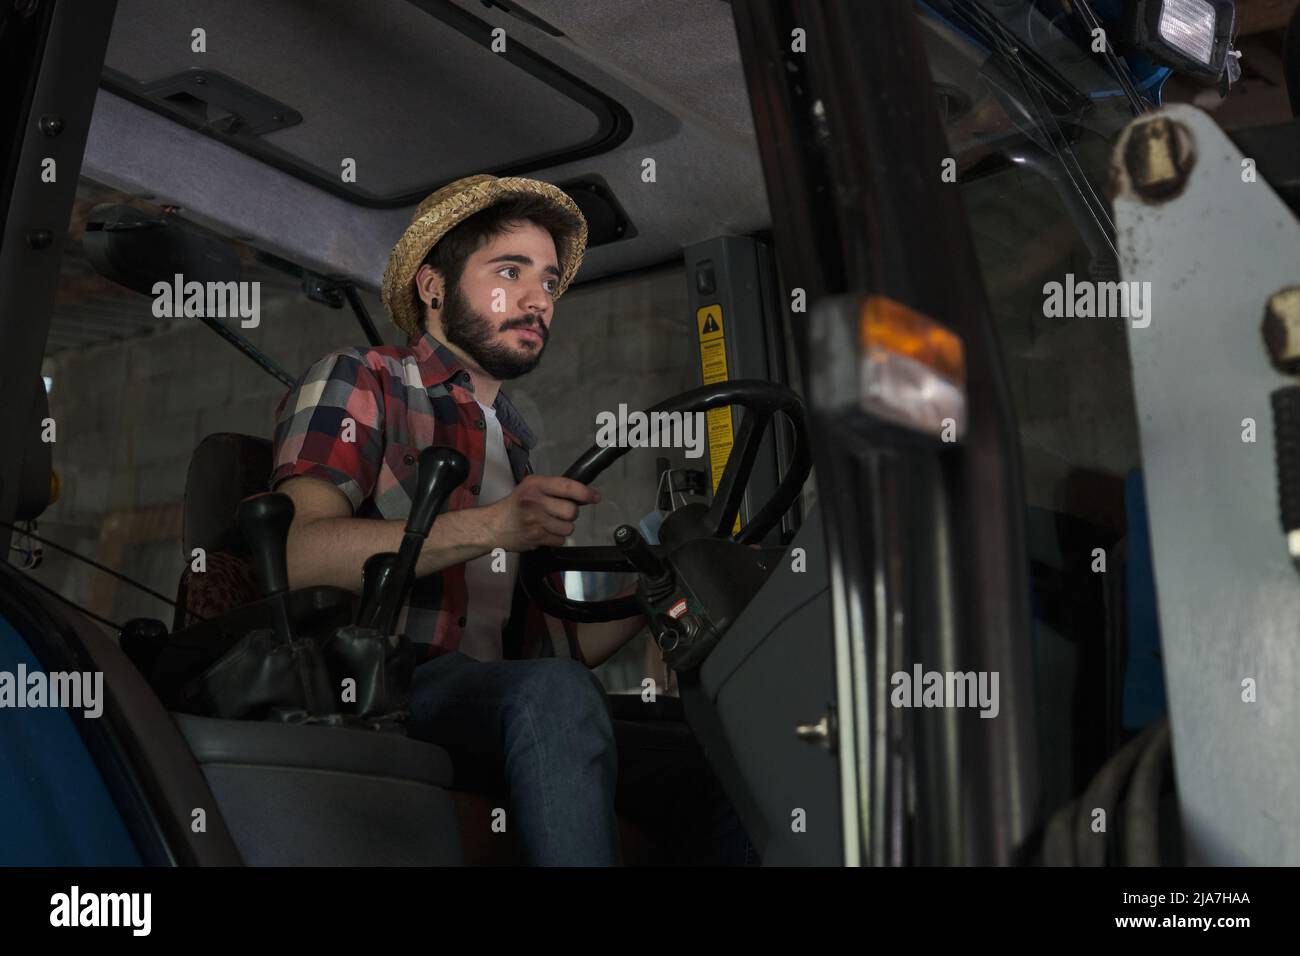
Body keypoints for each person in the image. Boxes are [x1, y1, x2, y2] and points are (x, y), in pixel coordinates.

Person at [269, 173, 742, 865]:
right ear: (434, 287)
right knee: (556, 697)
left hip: (503, 701)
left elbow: (558, 655)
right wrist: (493, 527)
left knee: (719, 755)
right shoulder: (360, 377)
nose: (537, 300)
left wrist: (662, 582)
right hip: (385, 691)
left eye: (549, 282)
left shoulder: (513, 438)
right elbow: (299, 558)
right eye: (510, 272)